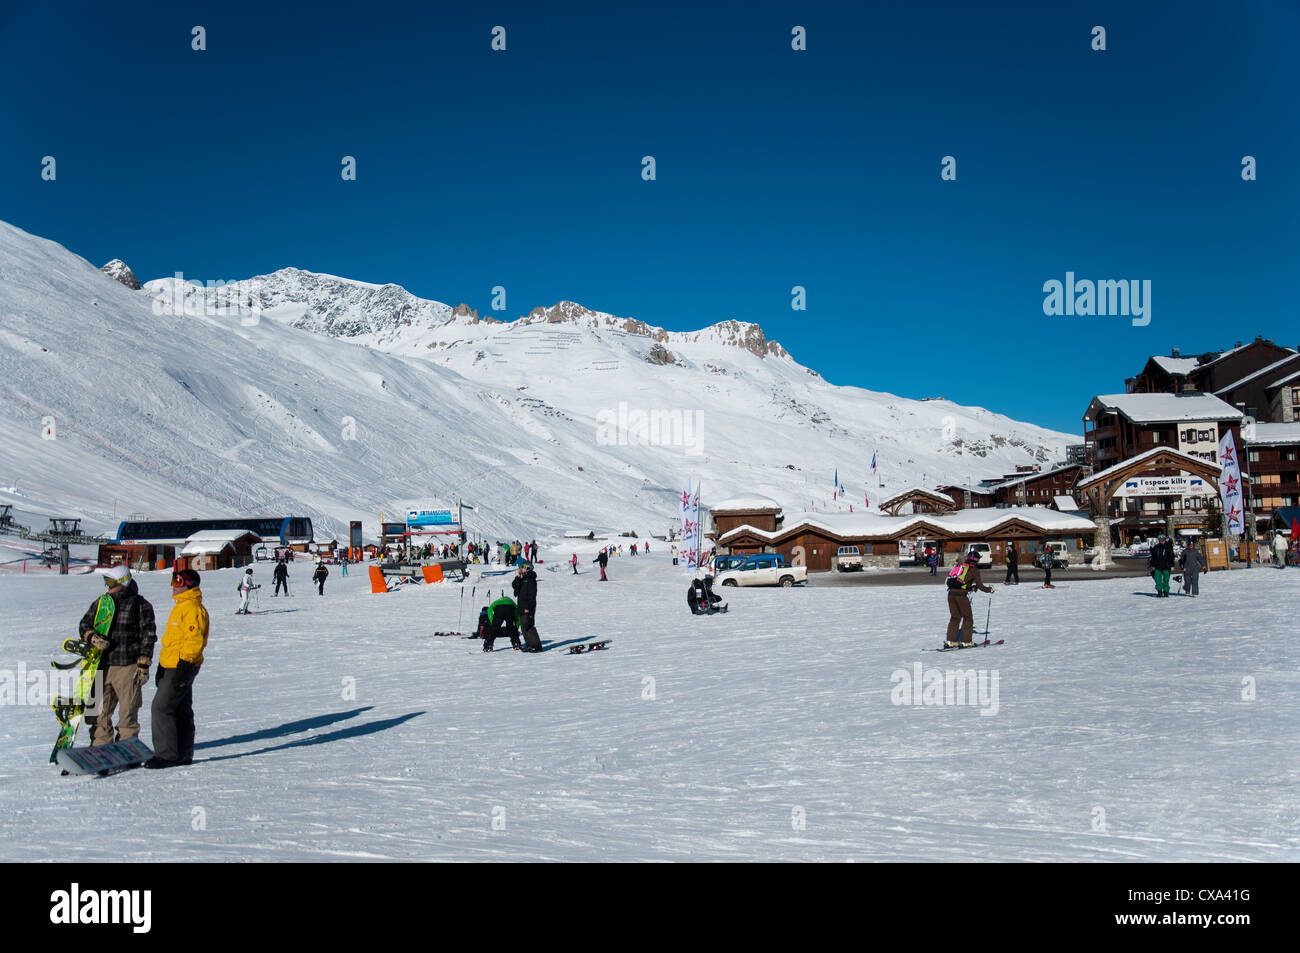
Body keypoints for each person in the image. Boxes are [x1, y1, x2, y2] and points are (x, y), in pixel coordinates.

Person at [81, 565, 156, 747]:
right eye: (106, 582)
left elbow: (148, 635)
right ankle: (100, 746)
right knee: (99, 713)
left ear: (123, 582)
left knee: (128, 712)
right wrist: (92, 637)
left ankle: (127, 746)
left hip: (127, 665)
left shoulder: (140, 604)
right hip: (102, 664)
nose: (108, 587)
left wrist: (143, 664)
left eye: (111, 582)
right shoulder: (102, 603)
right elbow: (84, 624)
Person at [146, 568, 209, 769]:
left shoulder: (192, 608)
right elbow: (173, 642)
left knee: (161, 707)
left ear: (188, 585)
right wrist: (162, 666)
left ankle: (166, 755)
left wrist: (184, 667)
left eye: (178, 582)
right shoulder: (181, 607)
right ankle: (182, 753)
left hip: (182, 665)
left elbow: (194, 641)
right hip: (172, 664)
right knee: (180, 707)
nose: (173, 587)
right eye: (173, 582)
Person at [945, 551, 993, 648]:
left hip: (951, 594)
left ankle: (951, 641)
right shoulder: (974, 569)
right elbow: (981, 586)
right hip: (961, 596)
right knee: (968, 618)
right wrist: (989, 590)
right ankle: (966, 641)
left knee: (955, 617)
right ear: (976, 560)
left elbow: (961, 582)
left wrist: (971, 587)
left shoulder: (960, 566)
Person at [513, 560, 542, 651]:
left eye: (523, 567)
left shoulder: (530, 580)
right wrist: (518, 577)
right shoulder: (523, 579)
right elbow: (515, 587)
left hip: (527, 607)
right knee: (523, 627)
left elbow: (531, 595)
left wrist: (528, 607)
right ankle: (529, 644)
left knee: (529, 626)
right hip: (521, 606)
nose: (521, 569)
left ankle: (536, 646)